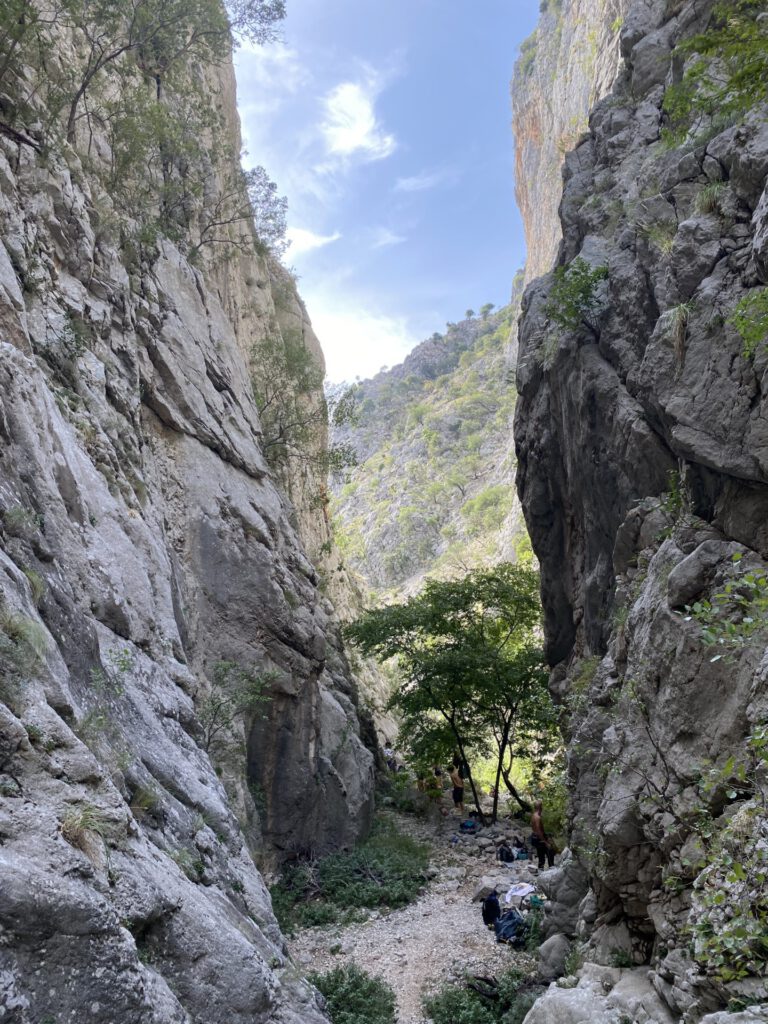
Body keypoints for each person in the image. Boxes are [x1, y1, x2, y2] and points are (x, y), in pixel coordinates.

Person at [530, 800, 555, 869]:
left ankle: (540, 869)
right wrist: (545, 842)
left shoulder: (533, 815)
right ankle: (551, 868)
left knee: (541, 855)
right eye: (542, 807)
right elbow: (538, 830)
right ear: (540, 807)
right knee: (550, 851)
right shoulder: (537, 817)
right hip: (539, 838)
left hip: (535, 837)